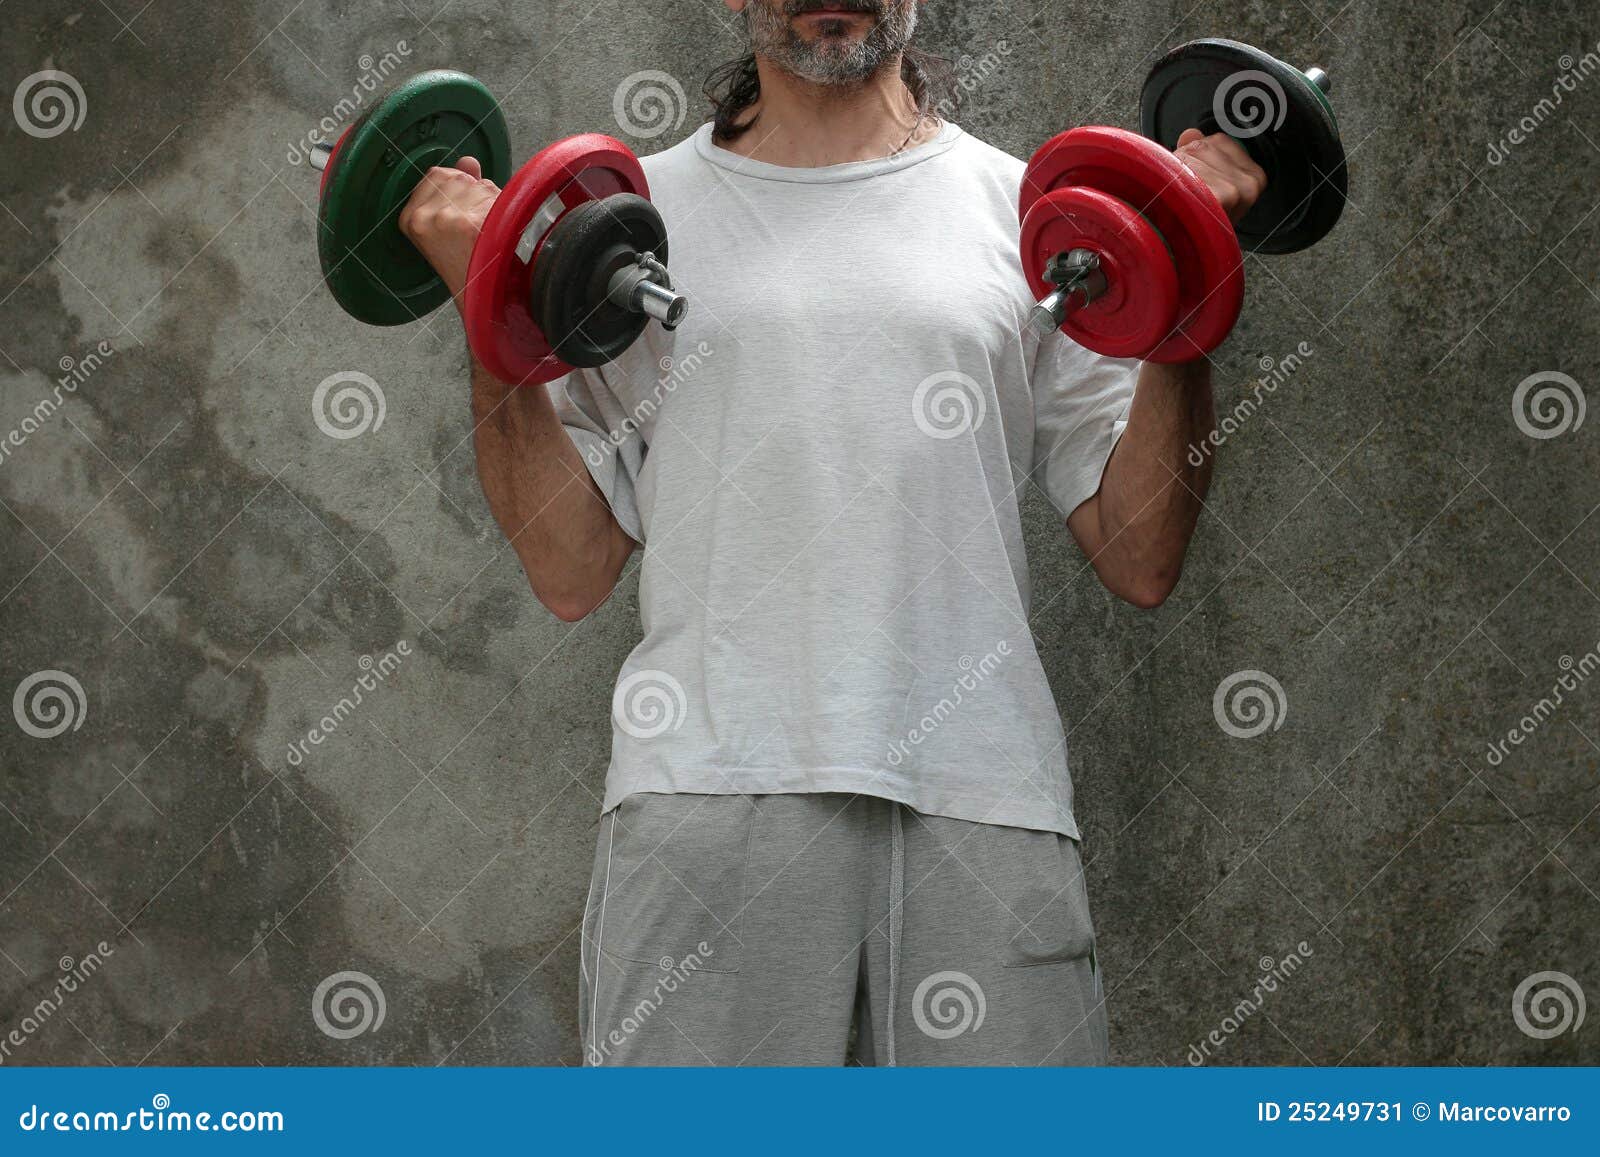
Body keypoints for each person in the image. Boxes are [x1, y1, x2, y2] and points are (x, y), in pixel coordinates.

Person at [399, 0, 1265, 1065]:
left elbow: (1139, 555)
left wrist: (1183, 280)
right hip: (713, 793)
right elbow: (569, 566)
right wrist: (486, 299)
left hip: (980, 789)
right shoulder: (621, 224)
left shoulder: (1033, 215)